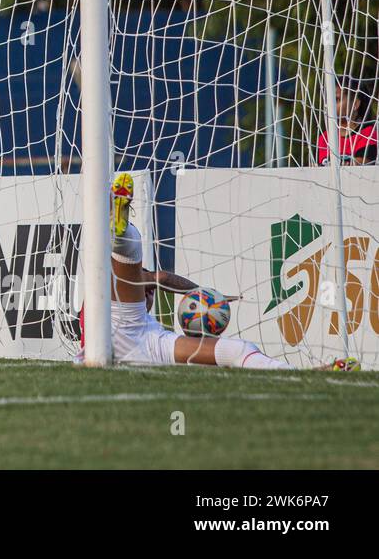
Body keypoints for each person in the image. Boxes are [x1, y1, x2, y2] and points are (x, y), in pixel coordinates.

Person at [101, 172, 289, 368]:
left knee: (239, 350)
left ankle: (117, 227)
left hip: (146, 342)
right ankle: (117, 230)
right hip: (130, 332)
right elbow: (160, 277)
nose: (149, 295)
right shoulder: (121, 289)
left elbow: (157, 278)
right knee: (130, 250)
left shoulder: (121, 304)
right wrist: (207, 295)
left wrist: (204, 295)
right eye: (149, 291)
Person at [316, 76, 376, 165]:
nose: (330, 105)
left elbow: (361, 166)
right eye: (328, 100)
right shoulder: (324, 138)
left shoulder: (369, 134)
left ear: (355, 104)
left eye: (337, 99)